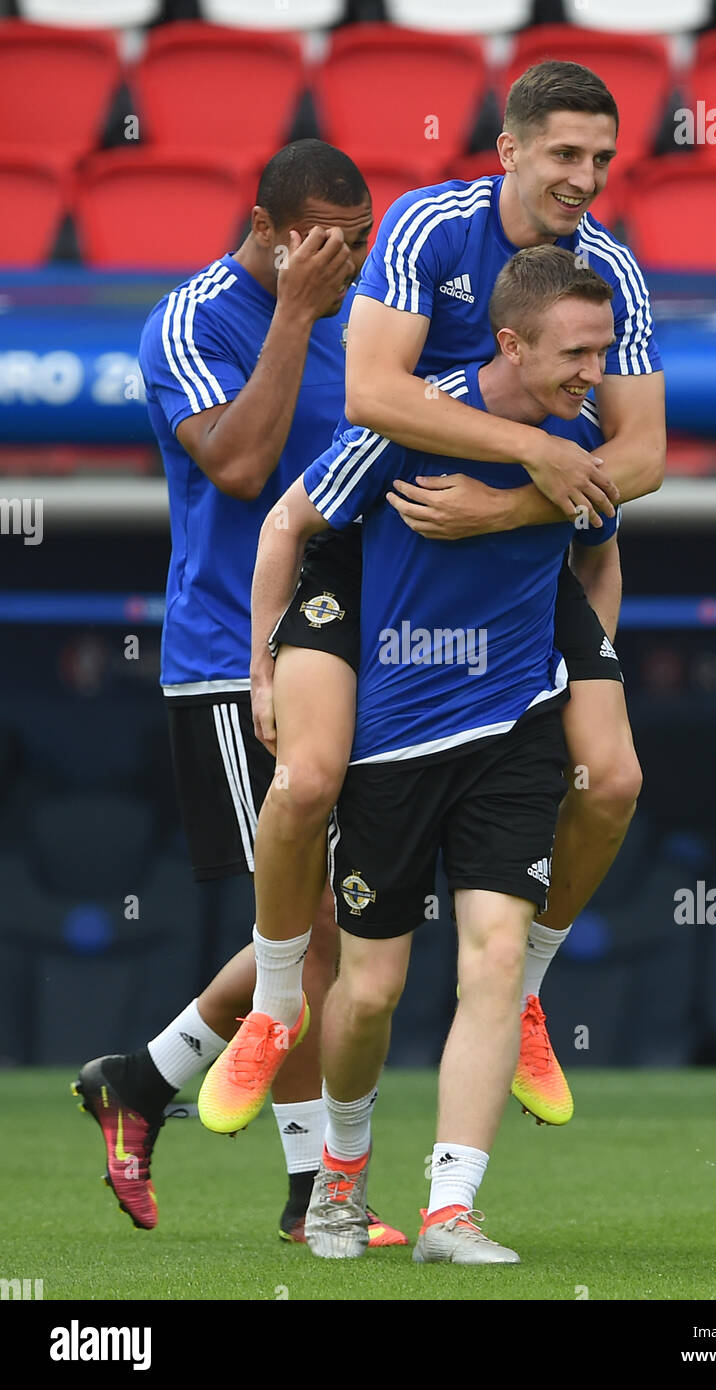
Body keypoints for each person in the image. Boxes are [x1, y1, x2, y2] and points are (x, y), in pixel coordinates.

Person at [200, 59, 664, 1136]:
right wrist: (531, 453)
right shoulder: (425, 230)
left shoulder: (613, 275)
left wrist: (512, 503)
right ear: (506, 148)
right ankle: (272, 1006)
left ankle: (529, 984)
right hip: (374, 549)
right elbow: (373, 394)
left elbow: (638, 457)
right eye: (562, 153)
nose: (583, 177)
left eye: (600, 158)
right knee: (307, 779)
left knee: (610, 779)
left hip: (515, 556)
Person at [244, 247, 618, 1262]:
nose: (596, 372)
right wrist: (267, 666)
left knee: (495, 956)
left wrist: (592, 660)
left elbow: (597, 542)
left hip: (514, 725)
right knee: (368, 993)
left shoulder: (582, 437)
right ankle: (339, 1180)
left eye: (604, 349)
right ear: (510, 343)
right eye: (577, 352)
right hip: (397, 734)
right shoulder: (405, 421)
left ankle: (450, 1209)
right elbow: (288, 522)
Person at [72, 141, 405, 1247]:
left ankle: (146, 1073)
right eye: (333, 240)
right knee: (308, 923)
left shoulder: (362, 318)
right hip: (231, 657)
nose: (353, 259)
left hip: (355, 653)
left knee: (335, 928)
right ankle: (310, 1193)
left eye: (364, 239)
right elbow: (241, 466)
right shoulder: (194, 319)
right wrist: (296, 316)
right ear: (270, 228)